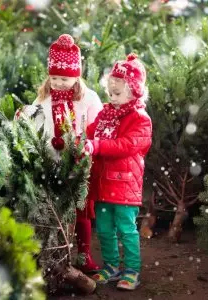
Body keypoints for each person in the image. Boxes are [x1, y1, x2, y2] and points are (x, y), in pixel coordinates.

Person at [15, 34, 103, 273]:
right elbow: (35, 117)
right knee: (54, 209)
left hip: (78, 162)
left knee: (81, 210)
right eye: (54, 77)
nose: (58, 83)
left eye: (64, 78)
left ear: (76, 76)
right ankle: (55, 254)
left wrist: (83, 144)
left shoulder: (89, 99)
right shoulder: (45, 96)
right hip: (52, 161)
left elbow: (98, 126)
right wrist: (24, 115)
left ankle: (84, 254)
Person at [84, 53, 153, 290]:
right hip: (103, 184)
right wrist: (82, 140)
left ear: (134, 91)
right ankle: (111, 266)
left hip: (124, 185)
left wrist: (97, 145)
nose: (112, 99)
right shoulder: (106, 114)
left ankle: (132, 270)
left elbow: (127, 146)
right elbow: (91, 132)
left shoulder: (140, 119)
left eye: (117, 94)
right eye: (110, 93)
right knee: (103, 229)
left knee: (126, 229)